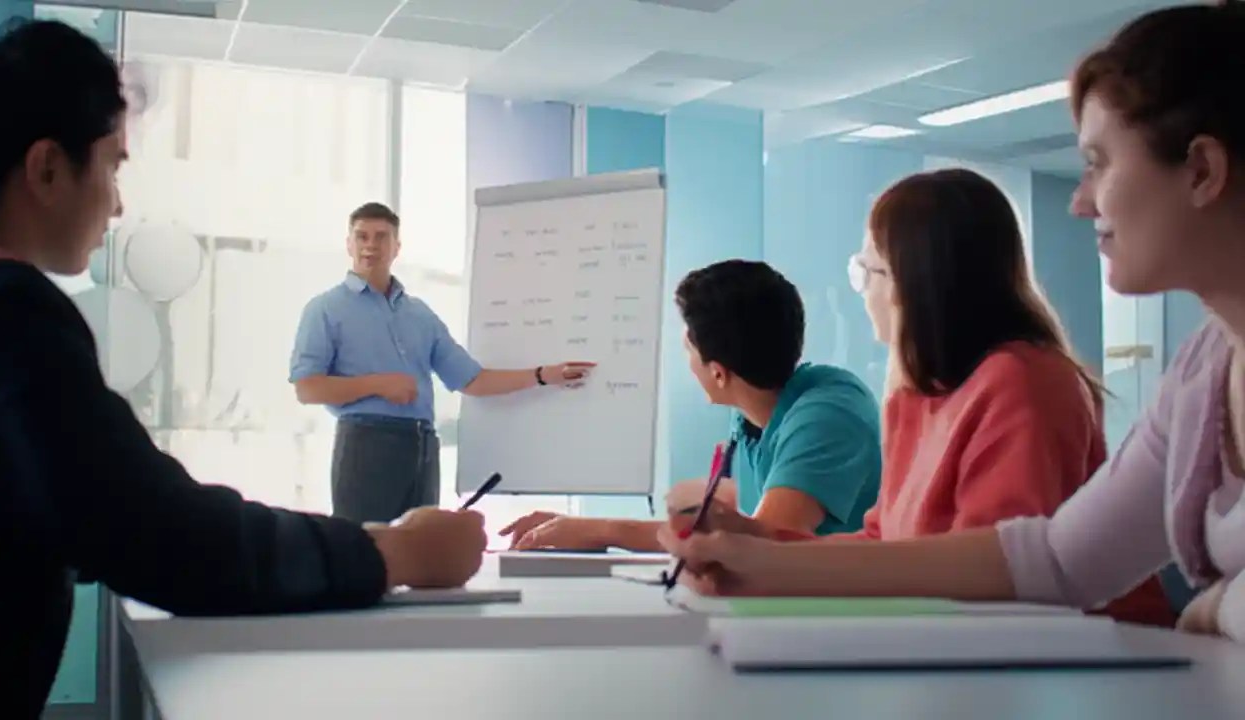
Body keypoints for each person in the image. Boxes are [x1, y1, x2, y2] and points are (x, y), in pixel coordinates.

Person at [660, 2, 1245, 641]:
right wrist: (769, 556)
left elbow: (1027, 588)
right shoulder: (1202, 372)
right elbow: (1054, 558)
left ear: (1201, 171)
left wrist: (1219, 607)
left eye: (1099, 163)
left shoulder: (1023, 382)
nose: (1079, 201)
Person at [0, 21, 487, 717]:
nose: (118, 204)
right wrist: (394, 556)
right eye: (114, 165)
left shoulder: (420, 312)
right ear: (47, 169)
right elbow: (157, 531)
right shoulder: (5, 316)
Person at [840, 168, 1169, 624]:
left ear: (913, 284)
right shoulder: (914, 397)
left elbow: (995, 584)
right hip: (974, 650)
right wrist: (757, 548)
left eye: (866, 272)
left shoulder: (1022, 384)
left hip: (1102, 667)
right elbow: (883, 543)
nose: (863, 293)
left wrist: (762, 564)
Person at [500, 259, 882, 551]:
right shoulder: (753, 418)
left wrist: (602, 530)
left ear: (718, 373)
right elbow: (736, 530)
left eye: (688, 349)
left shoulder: (830, 412)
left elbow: (763, 539)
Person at [289, 202, 594, 524]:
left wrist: (545, 375)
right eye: (362, 236)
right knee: (362, 554)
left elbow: (472, 380)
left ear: (396, 247)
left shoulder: (419, 314)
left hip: (422, 446)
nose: (370, 245)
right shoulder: (325, 309)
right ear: (349, 244)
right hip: (366, 444)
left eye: (381, 237)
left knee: (423, 552)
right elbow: (307, 388)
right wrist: (379, 384)